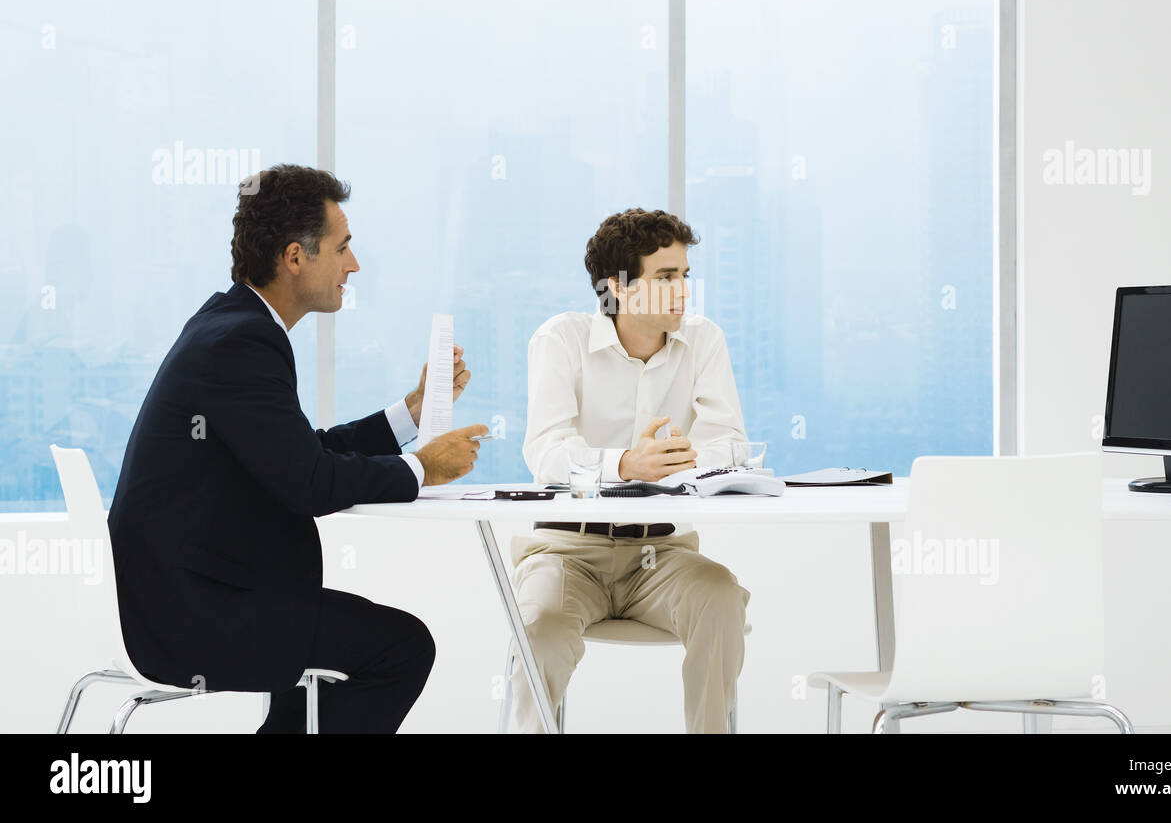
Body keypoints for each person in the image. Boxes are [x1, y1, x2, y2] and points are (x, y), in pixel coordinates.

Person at [107, 164, 487, 732]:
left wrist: (409, 414)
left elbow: (298, 455)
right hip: (190, 616)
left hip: (197, 598)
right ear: (294, 257)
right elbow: (310, 481)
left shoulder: (231, 323)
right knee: (402, 648)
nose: (352, 266)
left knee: (320, 659)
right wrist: (421, 470)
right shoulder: (242, 339)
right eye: (342, 249)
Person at [513, 207, 750, 733]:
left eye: (685, 275)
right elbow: (546, 454)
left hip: (661, 553)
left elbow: (730, 445)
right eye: (666, 277)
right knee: (539, 626)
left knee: (721, 597)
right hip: (567, 551)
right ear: (617, 288)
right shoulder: (562, 340)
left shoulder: (704, 340)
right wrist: (624, 464)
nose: (683, 290)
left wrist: (672, 463)